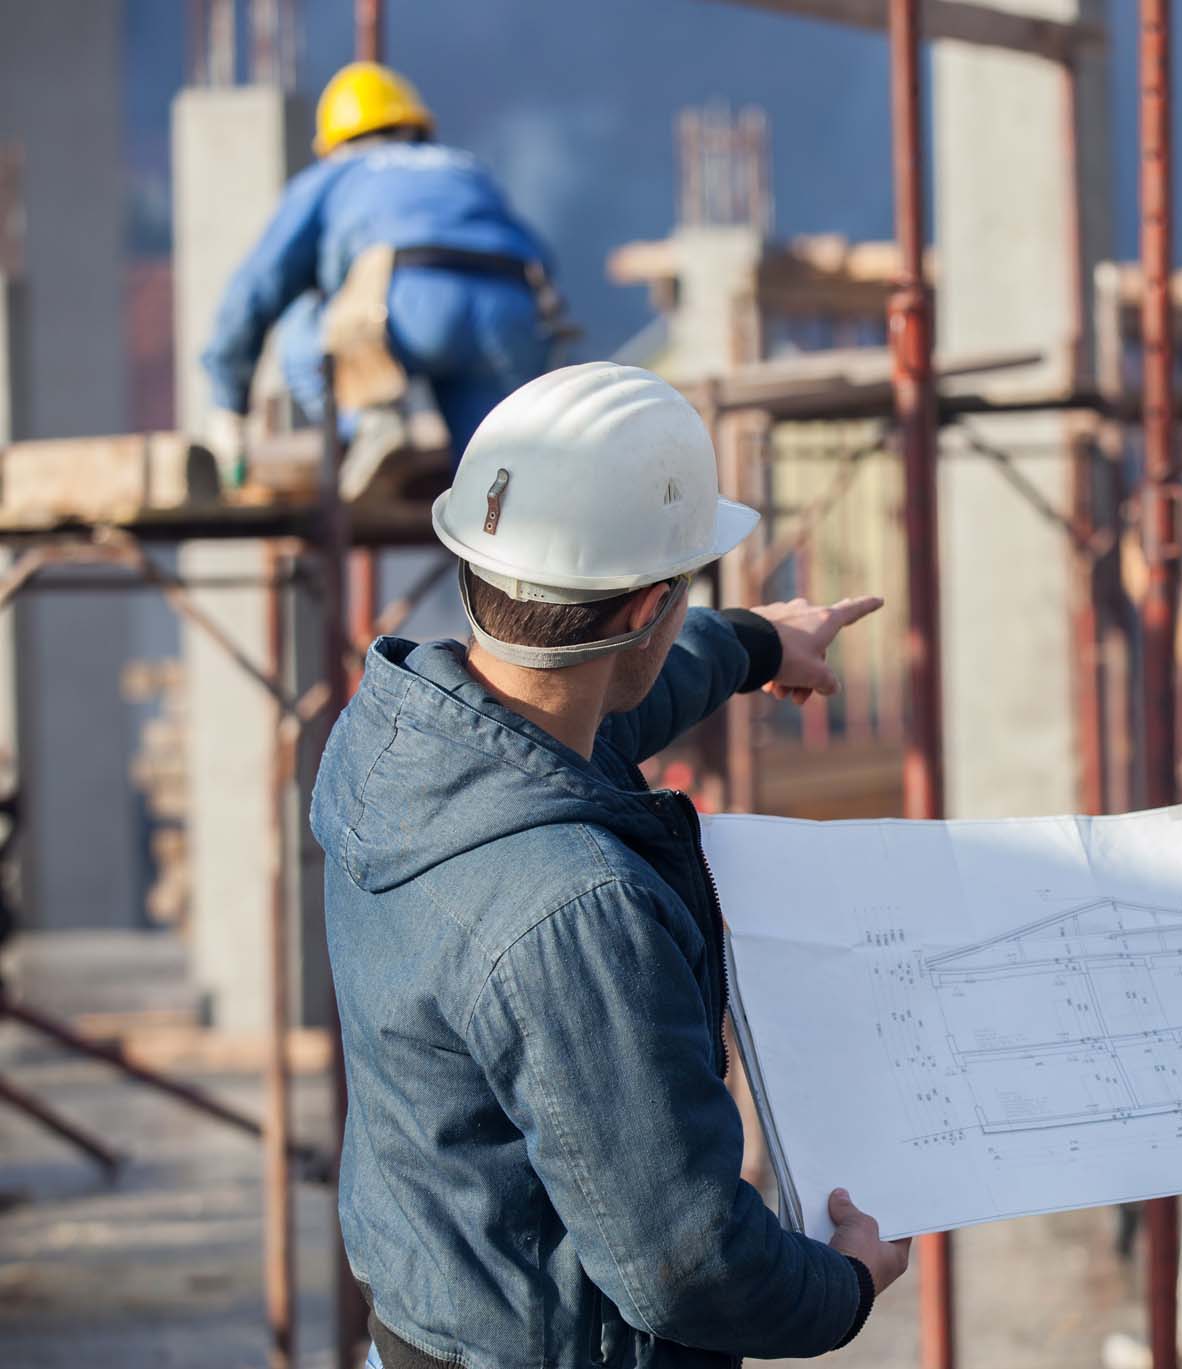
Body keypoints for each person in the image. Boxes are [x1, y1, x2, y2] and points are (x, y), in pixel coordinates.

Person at [311, 362, 907, 1369]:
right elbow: (687, 1261)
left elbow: (607, 697)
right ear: (644, 608)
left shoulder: (399, 743)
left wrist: (756, 643)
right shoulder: (578, 908)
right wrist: (841, 1285)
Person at [200, 61, 557, 490]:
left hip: (406, 302)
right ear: (417, 127)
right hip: (509, 310)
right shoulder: (465, 169)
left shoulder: (334, 175)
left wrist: (228, 402)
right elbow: (540, 257)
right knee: (496, 479)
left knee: (302, 318)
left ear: (335, 143)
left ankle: (370, 416)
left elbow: (258, 287)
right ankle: (501, 521)